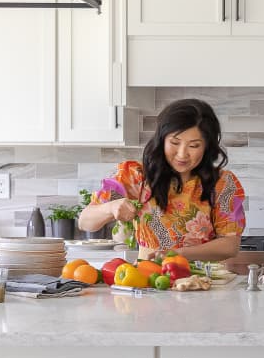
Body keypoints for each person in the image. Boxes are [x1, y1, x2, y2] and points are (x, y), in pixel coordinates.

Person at [78, 98, 246, 261]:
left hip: (206, 282)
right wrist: (111, 207)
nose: (182, 154)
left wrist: (177, 255)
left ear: (207, 146)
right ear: (162, 139)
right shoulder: (136, 176)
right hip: (150, 278)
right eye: (174, 142)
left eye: (194, 145)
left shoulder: (223, 183)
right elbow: (85, 222)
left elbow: (229, 245)